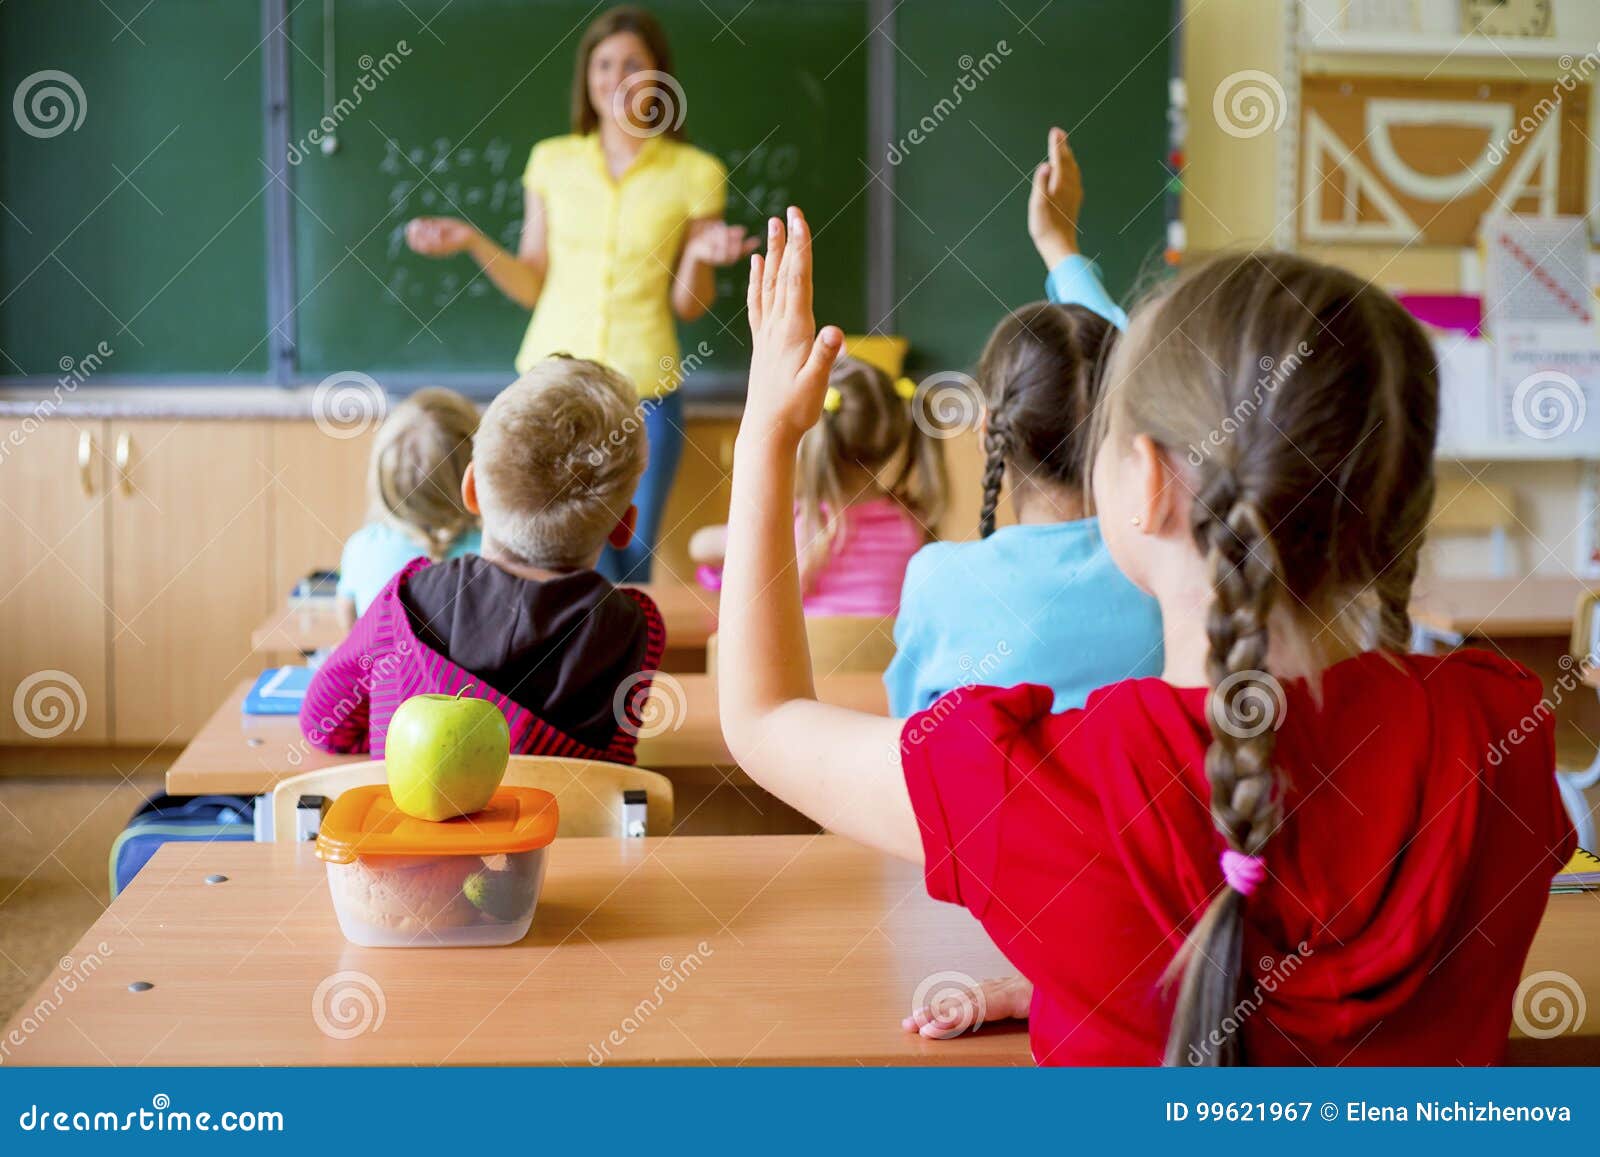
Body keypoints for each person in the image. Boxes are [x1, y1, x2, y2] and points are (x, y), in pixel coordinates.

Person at [715, 205, 1572, 1065]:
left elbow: (764, 717)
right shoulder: (1506, 731)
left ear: (1151, 481)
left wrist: (768, 432)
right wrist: (1076, 975)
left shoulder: (1038, 793)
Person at [405, 5, 753, 582]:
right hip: (550, 387)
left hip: (647, 392)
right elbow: (531, 281)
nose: (615, 78)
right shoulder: (551, 161)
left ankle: (621, 673)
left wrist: (696, 255)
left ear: (659, 78)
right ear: (586, 78)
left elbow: (688, 304)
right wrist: (471, 240)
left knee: (629, 554)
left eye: (632, 65)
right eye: (603, 64)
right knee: (550, 553)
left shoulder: (695, 171)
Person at [302, 356, 664, 763]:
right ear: (625, 526)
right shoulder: (634, 628)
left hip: (411, 824)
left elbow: (323, 725)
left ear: (471, 490)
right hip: (567, 826)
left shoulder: (405, 599)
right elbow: (615, 767)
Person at [689, 356, 946, 617]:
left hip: (804, 659)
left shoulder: (793, 523)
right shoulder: (914, 523)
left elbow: (699, 545)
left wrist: (748, 535)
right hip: (884, 659)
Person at [336, 387, 482, 618]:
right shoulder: (495, 552)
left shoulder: (363, 548)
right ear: (476, 470)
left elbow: (351, 634)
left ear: (382, 479)